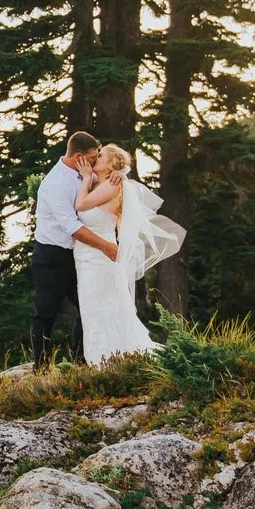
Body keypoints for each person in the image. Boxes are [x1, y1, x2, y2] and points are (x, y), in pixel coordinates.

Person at [72, 142, 186, 364]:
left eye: (101, 155)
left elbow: (81, 204)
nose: (96, 157)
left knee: (106, 308)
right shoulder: (103, 183)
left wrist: (86, 177)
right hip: (85, 259)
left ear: (111, 164)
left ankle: (114, 360)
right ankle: (102, 360)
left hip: (101, 259)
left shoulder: (112, 186)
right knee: (93, 309)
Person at [32, 132, 117, 360]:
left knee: (88, 306)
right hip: (51, 255)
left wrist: (117, 174)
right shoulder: (55, 183)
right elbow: (72, 227)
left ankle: (81, 360)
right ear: (79, 156)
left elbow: (105, 186)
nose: (95, 160)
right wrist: (106, 247)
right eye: (92, 157)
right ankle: (41, 367)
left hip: (79, 256)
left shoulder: (85, 173)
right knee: (46, 313)